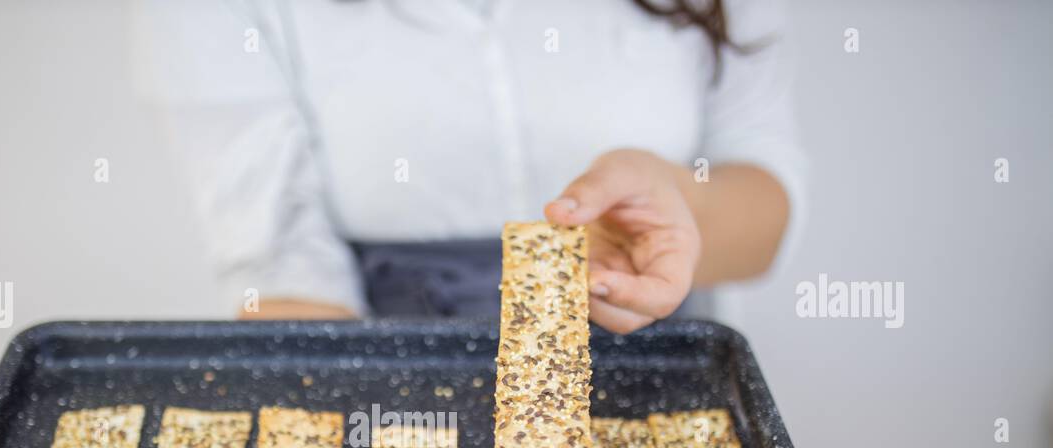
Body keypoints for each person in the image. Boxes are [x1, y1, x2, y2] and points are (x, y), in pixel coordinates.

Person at [136, 0, 803, 333]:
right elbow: (278, 258)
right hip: (375, 358)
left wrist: (678, 211)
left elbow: (764, 205)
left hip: (663, 362)